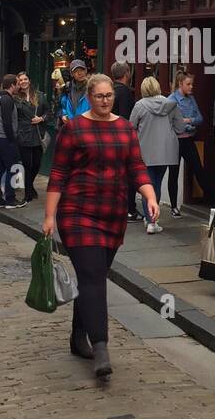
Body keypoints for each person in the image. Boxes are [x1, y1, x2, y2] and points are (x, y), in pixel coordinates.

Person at [43, 75, 158, 380]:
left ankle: (78, 336)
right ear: (89, 97)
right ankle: (102, 348)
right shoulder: (73, 128)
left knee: (91, 277)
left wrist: (149, 195)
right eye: (99, 96)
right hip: (77, 213)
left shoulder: (125, 128)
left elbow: (136, 166)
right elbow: (58, 173)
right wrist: (49, 216)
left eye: (109, 96)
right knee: (94, 278)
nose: (106, 101)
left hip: (112, 213)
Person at [128, 76, 188, 235]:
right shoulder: (171, 104)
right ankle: (152, 220)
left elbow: (130, 127)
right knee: (156, 184)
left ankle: (150, 221)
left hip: (145, 150)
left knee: (147, 185)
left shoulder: (139, 105)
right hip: (166, 151)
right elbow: (181, 127)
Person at [166, 70, 215, 212]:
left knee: (198, 168)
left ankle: (210, 199)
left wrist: (187, 121)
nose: (191, 87)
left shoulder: (191, 99)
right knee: (173, 172)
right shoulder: (171, 100)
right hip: (175, 141)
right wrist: (187, 124)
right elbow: (171, 123)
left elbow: (200, 118)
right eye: (188, 84)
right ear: (180, 84)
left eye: (192, 84)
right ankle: (174, 206)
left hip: (188, 140)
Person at [0, 73, 22, 207]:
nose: (19, 86)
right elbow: (7, 122)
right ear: (12, 85)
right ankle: (10, 199)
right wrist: (12, 140)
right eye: (17, 83)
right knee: (14, 167)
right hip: (4, 138)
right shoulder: (7, 99)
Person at [13, 72, 48, 202]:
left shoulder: (39, 95)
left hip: (38, 134)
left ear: (29, 80)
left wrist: (41, 118)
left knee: (37, 164)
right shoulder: (15, 98)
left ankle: (30, 186)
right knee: (27, 165)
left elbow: (48, 112)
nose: (23, 81)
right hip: (23, 135)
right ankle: (28, 193)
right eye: (20, 80)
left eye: (25, 79)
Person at [110, 63, 139, 218]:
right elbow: (126, 119)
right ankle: (129, 209)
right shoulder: (125, 92)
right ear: (127, 73)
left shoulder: (111, 91)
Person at [56, 60, 90, 125]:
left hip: (87, 125)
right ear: (72, 74)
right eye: (76, 71)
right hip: (71, 125)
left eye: (82, 70)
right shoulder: (68, 87)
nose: (79, 73)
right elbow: (62, 105)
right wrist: (63, 114)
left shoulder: (92, 87)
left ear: (86, 71)